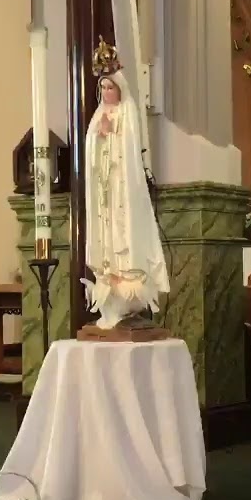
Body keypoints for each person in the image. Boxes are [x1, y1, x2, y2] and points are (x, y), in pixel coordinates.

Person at [81, 39, 169, 330]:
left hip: (122, 188)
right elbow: (91, 151)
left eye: (111, 87)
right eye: (103, 88)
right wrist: (99, 136)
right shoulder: (97, 117)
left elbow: (130, 150)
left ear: (119, 89)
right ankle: (109, 285)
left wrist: (113, 132)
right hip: (105, 192)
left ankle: (128, 288)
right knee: (106, 234)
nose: (106, 93)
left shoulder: (127, 112)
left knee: (125, 231)